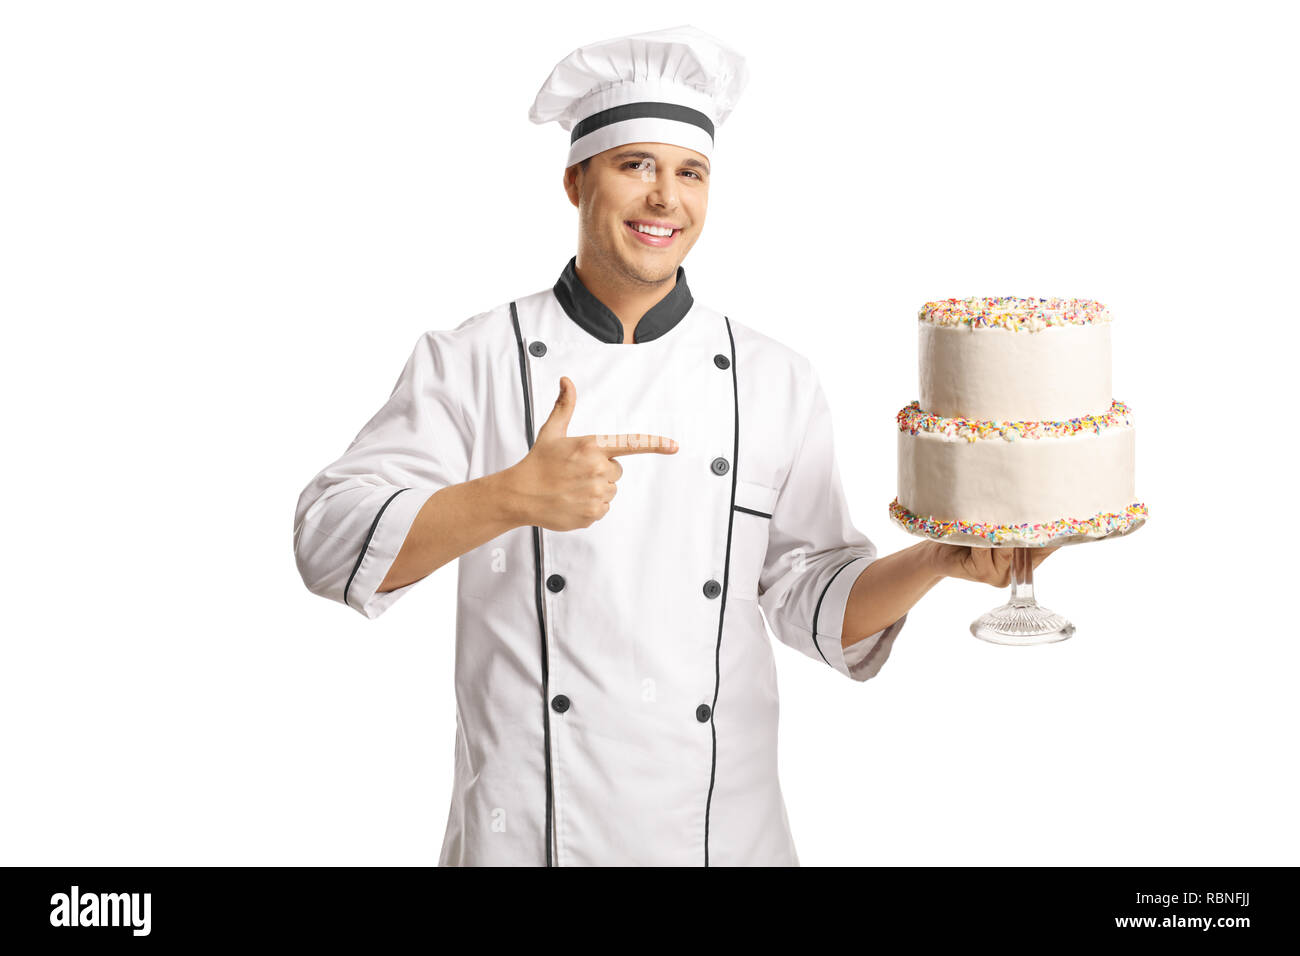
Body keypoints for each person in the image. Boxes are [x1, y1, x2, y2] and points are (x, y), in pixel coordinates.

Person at [292, 24, 1059, 867]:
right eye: (635, 166)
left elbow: (811, 597)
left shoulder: (776, 378)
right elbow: (328, 541)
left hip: (724, 842)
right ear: (576, 180)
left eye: (690, 172)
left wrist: (939, 560)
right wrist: (509, 496)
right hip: (531, 840)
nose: (666, 199)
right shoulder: (470, 359)